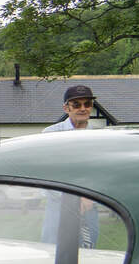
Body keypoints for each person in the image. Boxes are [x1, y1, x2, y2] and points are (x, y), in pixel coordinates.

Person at [41, 84, 101, 247]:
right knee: (51, 254)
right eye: (76, 104)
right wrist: (70, 200)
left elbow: (102, 173)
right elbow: (44, 173)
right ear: (66, 108)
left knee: (88, 256)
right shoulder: (50, 135)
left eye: (87, 104)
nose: (83, 108)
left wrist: (90, 197)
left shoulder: (100, 137)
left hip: (89, 207)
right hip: (58, 208)